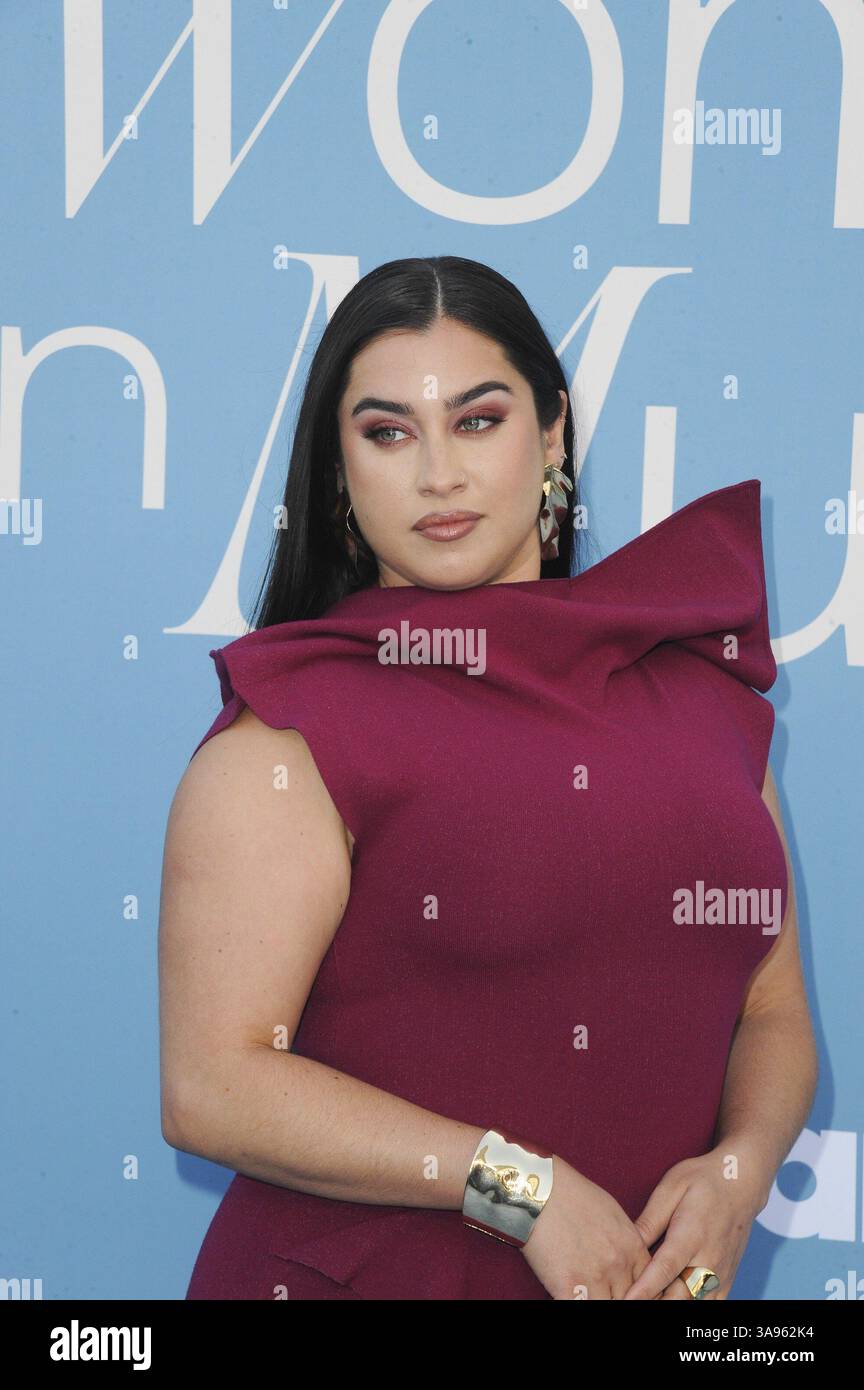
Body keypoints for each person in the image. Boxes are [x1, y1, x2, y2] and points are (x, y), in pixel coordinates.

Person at [158, 255, 817, 1301]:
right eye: (386, 431)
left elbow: (774, 1014)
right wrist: (520, 1189)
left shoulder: (699, 691)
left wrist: (738, 1175)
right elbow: (213, 1086)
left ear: (552, 432)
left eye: (477, 420)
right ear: (337, 469)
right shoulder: (289, 732)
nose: (438, 474)